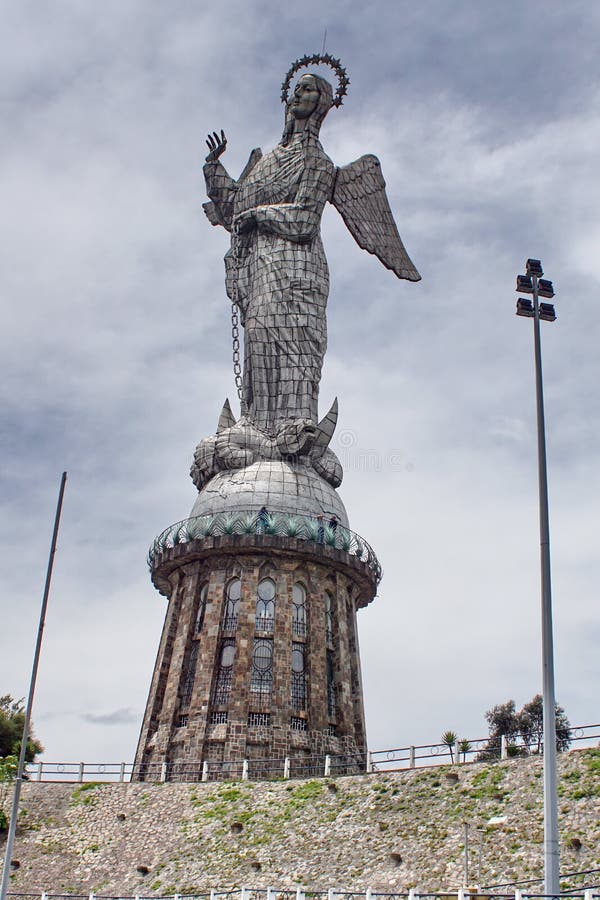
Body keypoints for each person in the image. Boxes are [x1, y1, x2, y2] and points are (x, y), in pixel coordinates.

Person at [204, 74, 336, 442]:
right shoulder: (269, 160)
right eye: (297, 89)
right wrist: (214, 169)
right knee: (258, 331)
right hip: (261, 262)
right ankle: (258, 421)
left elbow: (306, 219)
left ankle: (294, 424)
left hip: (297, 265)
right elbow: (236, 206)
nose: (298, 95)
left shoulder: (318, 163)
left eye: (308, 89)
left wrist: (261, 216)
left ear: (322, 102)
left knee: (293, 339)